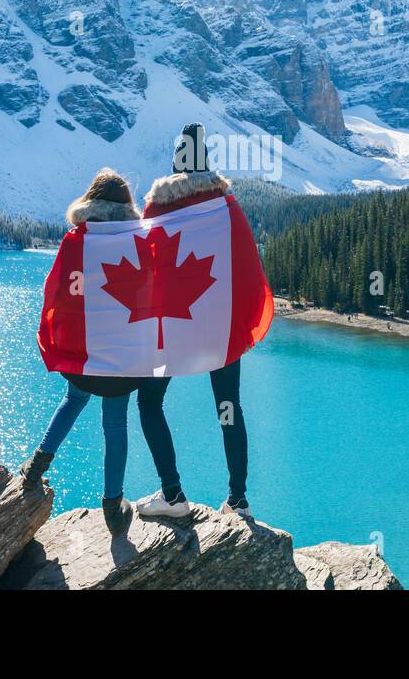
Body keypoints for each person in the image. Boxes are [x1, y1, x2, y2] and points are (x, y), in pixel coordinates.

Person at [133, 123, 261, 521]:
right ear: (206, 161)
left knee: (149, 403)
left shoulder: (158, 206)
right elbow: (246, 263)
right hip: (218, 325)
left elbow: (141, 259)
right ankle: (238, 501)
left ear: (175, 163)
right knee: (228, 406)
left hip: (171, 325)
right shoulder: (226, 206)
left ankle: (173, 495)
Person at [21, 168, 144, 535]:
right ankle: (112, 504)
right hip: (120, 357)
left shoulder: (76, 240)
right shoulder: (137, 241)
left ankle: (36, 467)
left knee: (73, 400)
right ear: (126, 206)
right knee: (116, 424)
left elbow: (55, 290)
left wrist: (58, 338)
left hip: (83, 355)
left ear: (89, 202)